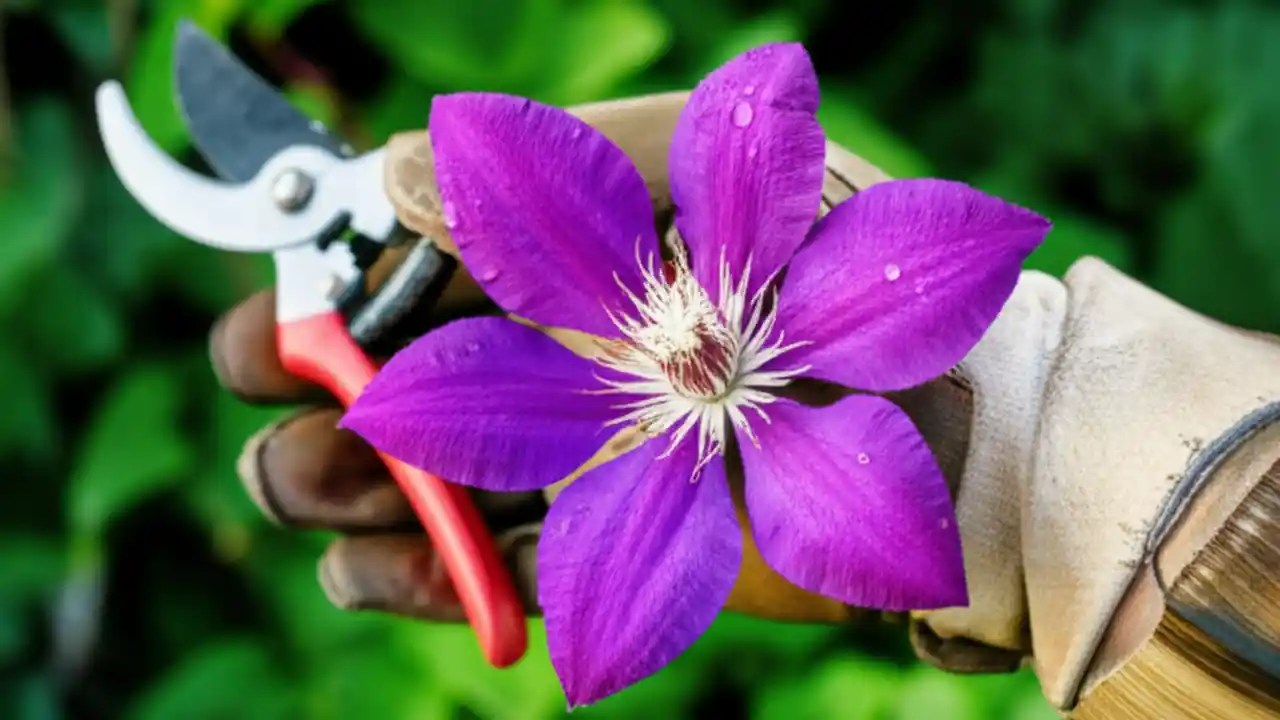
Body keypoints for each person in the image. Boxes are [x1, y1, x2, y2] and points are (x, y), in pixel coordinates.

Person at [207, 92, 1280, 719]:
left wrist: (1036, 421)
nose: (686, 343)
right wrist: (1078, 457)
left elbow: (778, 116)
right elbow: (440, 405)